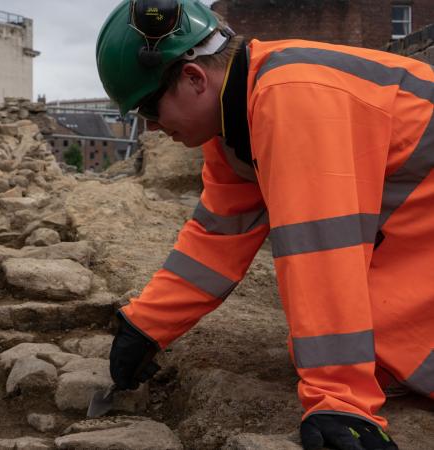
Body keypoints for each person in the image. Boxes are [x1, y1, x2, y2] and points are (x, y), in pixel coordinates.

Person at [96, 1, 434, 449]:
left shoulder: (291, 98)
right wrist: (147, 326)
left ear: (195, 79)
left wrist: (338, 400)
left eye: (149, 110)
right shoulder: (236, 120)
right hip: (418, 220)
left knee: (379, 340)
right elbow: (218, 237)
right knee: (353, 338)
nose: (153, 128)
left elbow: (322, 251)